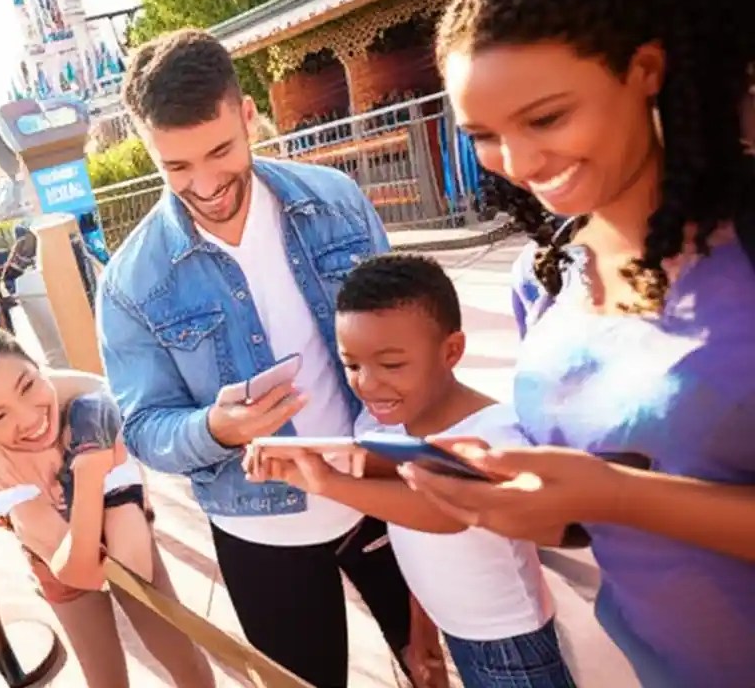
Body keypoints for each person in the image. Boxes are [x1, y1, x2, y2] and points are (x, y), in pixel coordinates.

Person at [396, 0, 755, 686]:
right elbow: (597, 514)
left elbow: (616, 494)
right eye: (484, 135)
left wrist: (608, 495)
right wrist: (519, 501)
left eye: (548, 118)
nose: (520, 164)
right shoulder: (545, 277)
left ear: (644, 69)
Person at [96, 28, 422, 686]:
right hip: (259, 532)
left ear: (249, 116)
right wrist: (215, 429)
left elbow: (411, 335)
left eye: (220, 151)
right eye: (177, 167)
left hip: (385, 492)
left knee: (438, 668)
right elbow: (144, 426)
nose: (207, 183)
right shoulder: (131, 282)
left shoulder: (337, 202)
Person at [246, 255, 575, 688]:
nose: (367, 383)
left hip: (513, 646)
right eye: (352, 365)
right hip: (458, 633)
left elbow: (448, 510)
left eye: (392, 365)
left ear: (451, 351)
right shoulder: (382, 426)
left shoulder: (495, 432)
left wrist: (327, 481)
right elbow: (411, 525)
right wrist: (422, 633)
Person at [0, 326, 214, 688]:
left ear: (39, 368)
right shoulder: (0, 476)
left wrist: (96, 449)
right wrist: (89, 474)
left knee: (178, 651)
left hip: (124, 528)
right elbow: (84, 574)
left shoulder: (89, 403)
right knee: (104, 676)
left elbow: (134, 566)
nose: (28, 418)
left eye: (28, 386)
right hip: (59, 560)